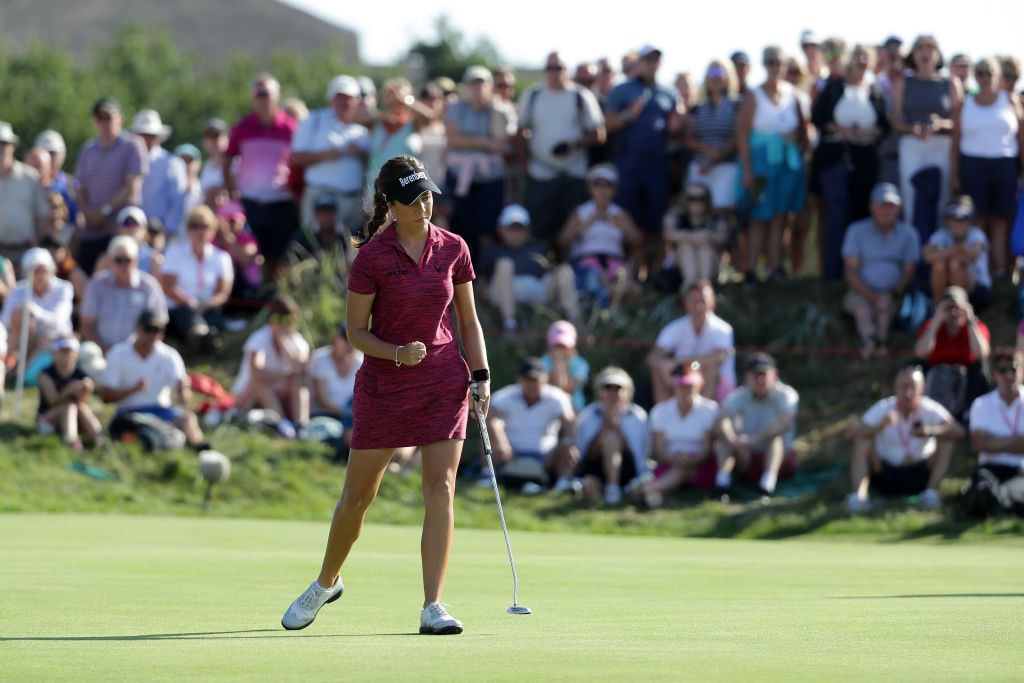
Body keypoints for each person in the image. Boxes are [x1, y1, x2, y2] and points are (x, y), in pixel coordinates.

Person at [280, 155, 490, 636]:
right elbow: (355, 332)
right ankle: (325, 582)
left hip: (442, 380)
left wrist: (481, 375)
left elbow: (469, 321)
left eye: (428, 195)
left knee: (440, 488)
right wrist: (396, 353)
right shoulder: (372, 258)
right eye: (413, 199)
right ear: (390, 206)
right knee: (358, 497)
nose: (424, 205)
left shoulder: (453, 248)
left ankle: (433, 605)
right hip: (384, 384)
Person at [811, 44, 888, 280]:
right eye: (858, 57)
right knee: (835, 216)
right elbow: (818, 117)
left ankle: (857, 271)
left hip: (865, 160)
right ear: (851, 61)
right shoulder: (835, 87)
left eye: (867, 57)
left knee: (861, 214)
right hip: (836, 158)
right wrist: (841, 129)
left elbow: (884, 125)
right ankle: (832, 272)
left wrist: (870, 133)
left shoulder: (874, 90)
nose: (862, 61)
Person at [845, 365, 963, 514]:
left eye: (913, 387)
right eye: (903, 387)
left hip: (921, 473)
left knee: (947, 440)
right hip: (886, 473)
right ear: (895, 387)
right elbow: (849, 435)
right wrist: (879, 427)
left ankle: (930, 494)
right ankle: (860, 498)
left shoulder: (929, 407)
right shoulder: (883, 408)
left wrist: (931, 431)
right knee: (862, 440)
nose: (908, 393)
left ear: (922, 388)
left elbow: (959, 431)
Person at [517, 51, 606, 246]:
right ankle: (542, 270)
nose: (554, 72)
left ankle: (569, 272)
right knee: (539, 228)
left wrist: (573, 145)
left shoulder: (581, 95)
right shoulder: (533, 95)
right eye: (550, 68)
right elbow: (521, 131)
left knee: (571, 230)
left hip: (573, 174)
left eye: (558, 68)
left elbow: (598, 134)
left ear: (567, 70)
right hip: (541, 174)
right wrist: (525, 164)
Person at [735, 46, 809, 282]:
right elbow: (742, 132)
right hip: (760, 164)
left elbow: (803, 130)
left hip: (787, 164)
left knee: (781, 216)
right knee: (758, 216)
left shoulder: (793, 94)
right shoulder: (754, 96)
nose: (776, 67)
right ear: (764, 65)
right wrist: (747, 169)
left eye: (780, 62)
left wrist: (795, 139)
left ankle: (775, 267)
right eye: (770, 62)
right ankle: (751, 269)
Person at [952, 57, 1023, 277]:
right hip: (972, 164)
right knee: (978, 219)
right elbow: (956, 140)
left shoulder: (1010, 101)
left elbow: (1021, 137)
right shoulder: (966, 103)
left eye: (989, 72)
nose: (984, 77)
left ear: (998, 75)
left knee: (1001, 220)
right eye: (980, 72)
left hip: (1004, 164)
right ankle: (980, 272)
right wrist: (954, 173)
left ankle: (1001, 272)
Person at [99, 309, 208, 451]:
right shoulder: (118, 354)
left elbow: (185, 399)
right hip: (129, 413)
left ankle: (201, 449)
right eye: (148, 329)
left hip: (161, 411)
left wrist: (183, 391)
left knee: (188, 419)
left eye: (158, 330)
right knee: (143, 433)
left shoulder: (169, 355)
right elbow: (105, 397)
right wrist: (134, 389)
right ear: (137, 329)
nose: (153, 335)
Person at [224, 74, 299, 277]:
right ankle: (259, 298)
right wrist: (233, 196)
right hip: (251, 203)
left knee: (280, 256)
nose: (262, 98)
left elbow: (299, 163)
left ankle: (276, 299)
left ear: (278, 96)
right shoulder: (242, 127)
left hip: (281, 202)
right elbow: (226, 160)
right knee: (253, 254)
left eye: (266, 93)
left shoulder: (291, 127)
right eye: (258, 94)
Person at [890, 35, 962, 240]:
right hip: (912, 146)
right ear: (914, 55)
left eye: (930, 48)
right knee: (911, 199)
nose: (925, 52)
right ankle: (914, 257)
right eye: (920, 48)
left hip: (942, 146)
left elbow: (959, 123)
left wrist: (941, 124)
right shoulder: (904, 82)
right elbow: (895, 121)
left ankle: (939, 255)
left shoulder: (951, 83)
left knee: (942, 200)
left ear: (938, 55)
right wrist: (911, 128)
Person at [604, 45, 679, 235]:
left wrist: (677, 125)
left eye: (655, 60)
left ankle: (652, 265)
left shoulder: (668, 93)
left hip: (657, 168)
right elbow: (606, 125)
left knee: (655, 222)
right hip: (627, 166)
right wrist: (628, 115)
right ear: (639, 62)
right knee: (626, 220)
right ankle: (626, 264)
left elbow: (676, 126)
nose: (651, 64)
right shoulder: (622, 90)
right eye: (647, 60)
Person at [444, 65, 515, 258]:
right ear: (466, 86)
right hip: (461, 177)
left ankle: (484, 275)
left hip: (490, 178)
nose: (477, 88)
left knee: (488, 228)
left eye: (482, 83)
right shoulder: (456, 108)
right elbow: (453, 139)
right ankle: (462, 276)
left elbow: (501, 141)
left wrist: (494, 109)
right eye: (473, 83)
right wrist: (484, 142)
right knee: (460, 228)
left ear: (490, 86)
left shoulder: (499, 109)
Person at [842, 183, 920, 356]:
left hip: (895, 293)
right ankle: (870, 341)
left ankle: (880, 344)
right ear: (872, 207)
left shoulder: (909, 233)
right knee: (862, 309)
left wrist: (892, 293)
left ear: (898, 208)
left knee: (884, 307)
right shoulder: (856, 230)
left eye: (891, 206)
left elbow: (909, 271)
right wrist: (872, 296)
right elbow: (850, 270)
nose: (886, 211)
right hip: (860, 290)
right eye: (882, 206)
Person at [73, 97, 148, 274]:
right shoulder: (88, 150)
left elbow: (132, 186)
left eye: (109, 117)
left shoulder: (132, 145)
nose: (105, 123)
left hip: (121, 231)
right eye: (100, 118)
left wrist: (103, 211)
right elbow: (80, 187)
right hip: (92, 231)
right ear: (94, 122)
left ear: (120, 118)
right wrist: (88, 212)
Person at [478, 204, 578, 332]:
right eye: (511, 228)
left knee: (564, 270)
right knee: (505, 264)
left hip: (537, 291)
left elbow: (551, 269)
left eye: (521, 228)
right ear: (500, 229)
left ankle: (576, 323)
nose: (516, 233)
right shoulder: (491, 250)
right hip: (503, 292)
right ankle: (510, 326)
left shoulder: (539, 248)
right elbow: (481, 282)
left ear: (528, 230)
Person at [714, 352, 799, 503]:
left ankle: (766, 487)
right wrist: (732, 439)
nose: (760, 380)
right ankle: (722, 485)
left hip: (781, 460)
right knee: (722, 442)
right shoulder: (739, 395)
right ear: (747, 376)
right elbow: (722, 419)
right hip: (747, 458)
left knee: (775, 440)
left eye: (764, 374)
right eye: (755, 375)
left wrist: (753, 439)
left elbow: (785, 422)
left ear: (775, 375)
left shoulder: (786, 394)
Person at [291, 75, 369, 236]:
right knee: (314, 248)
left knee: (348, 254)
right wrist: (328, 154)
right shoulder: (314, 120)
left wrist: (360, 155)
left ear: (356, 101)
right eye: (339, 97)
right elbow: (296, 158)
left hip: (352, 200)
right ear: (331, 100)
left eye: (348, 98)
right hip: (319, 198)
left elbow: (373, 165)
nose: (344, 102)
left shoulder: (364, 128)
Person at [485, 357, 577, 490]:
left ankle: (563, 482)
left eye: (537, 380)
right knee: (489, 436)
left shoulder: (557, 397)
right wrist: (501, 441)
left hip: (547, 457)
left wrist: (568, 442)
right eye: (529, 380)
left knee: (568, 447)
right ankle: (486, 475)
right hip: (511, 454)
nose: (533, 385)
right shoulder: (506, 395)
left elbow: (569, 421)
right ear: (519, 379)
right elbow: (491, 416)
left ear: (545, 379)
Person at [558, 164, 644, 306]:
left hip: (615, 261)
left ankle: (616, 300)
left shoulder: (620, 214)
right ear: (590, 188)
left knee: (624, 275)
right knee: (599, 277)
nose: (602, 190)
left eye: (607, 185)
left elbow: (638, 242)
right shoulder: (581, 213)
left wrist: (624, 227)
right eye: (598, 185)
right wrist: (583, 227)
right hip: (587, 262)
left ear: (614, 189)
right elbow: (562, 241)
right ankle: (609, 299)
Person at [232, 294, 310, 440]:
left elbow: (300, 368)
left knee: (299, 381)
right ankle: (282, 425)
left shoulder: (297, 340)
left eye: (290, 320)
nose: (286, 324)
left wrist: (284, 342)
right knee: (260, 382)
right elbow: (257, 371)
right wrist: (284, 375)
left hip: (277, 395)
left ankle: (301, 426)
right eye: (281, 320)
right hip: (249, 396)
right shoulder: (260, 338)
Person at [642, 362, 720, 506]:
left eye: (690, 385)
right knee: (680, 470)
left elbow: (707, 448)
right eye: (682, 385)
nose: (686, 389)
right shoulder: (660, 411)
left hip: (702, 467)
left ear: (699, 385)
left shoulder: (710, 410)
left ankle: (650, 490)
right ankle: (655, 492)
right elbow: (659, 448)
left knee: (683, 470)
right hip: (670, 464)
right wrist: (674, 458)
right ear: (674, 386)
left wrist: (691, 459)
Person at [648, 279, 735, 404]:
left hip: (705, 374)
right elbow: (653, 357)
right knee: (659, 370)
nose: (698, 306)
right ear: (686, 303)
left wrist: (682, 362)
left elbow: (719, 357)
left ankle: (704, 416)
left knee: (710, 369)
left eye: (702, 301)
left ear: (712, 302)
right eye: (694, 301)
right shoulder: (675, 328)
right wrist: (665, 365)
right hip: (683, 374)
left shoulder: (723, 329)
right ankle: (664, 414)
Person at [160, 205, 233, 349]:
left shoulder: (221, 258)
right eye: (194, 226)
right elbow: (168, 287)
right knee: (186, 315)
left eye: (204, 226)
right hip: (180, 309)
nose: (199, 231)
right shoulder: (175, 252)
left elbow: (223, 292)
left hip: (209, 308)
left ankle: (203, 337)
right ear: (188, 230)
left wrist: (208, 304)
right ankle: (201, 338)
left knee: (212, 317)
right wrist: (190, 302)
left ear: (212, 231)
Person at [573, 366, 648, 505]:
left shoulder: (638, 416)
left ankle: (613, 487)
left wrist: (618, 429)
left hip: (628, 471)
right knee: (590, 486)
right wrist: (603, 428)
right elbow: (584, 454)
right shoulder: (588, 415)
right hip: (596, 470)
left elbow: (638, 454)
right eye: (608, 388)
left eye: (618, 389)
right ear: (600, 392)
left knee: (611, 438)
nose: (613, 393)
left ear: (627, 392)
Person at [913, 286, 991, 420]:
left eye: (957, 307)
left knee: (980, 367)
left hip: (967, 377)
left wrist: (970, 320)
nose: (953, 312)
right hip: (937, 374)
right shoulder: (931, 325)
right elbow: (920, 353)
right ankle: (922, 412)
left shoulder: (976, 326)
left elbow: (981, 353)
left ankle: (971, 414)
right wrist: (937, 320)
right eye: (948, 308)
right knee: (915, 367)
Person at [81, 235, 167, 353]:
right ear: (110, 261)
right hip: (101, 351)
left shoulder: (148, 286)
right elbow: (87, 325)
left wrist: (137, 351)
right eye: (119, 260)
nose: (124, 265)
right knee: (88, 353)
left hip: (138, 352)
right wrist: (104, 350)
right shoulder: (97, 285)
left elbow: (158, 323)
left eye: (128, 260)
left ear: (136, 260)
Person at [964, 347, 1024, 517]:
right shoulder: (982, 404)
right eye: (1002, 370)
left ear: (1021, 371)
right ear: (994, 375)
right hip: (990, 469)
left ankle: (993, 506)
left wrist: (995, 442)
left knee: (1007, 492)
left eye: (1013, 369)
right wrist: (1016, 442)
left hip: (1020, 471)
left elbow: (986, 442)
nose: (1008, 376)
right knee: (983, 486)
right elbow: (977, 443)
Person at [681, 60, 740, 213]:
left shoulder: (737, 104)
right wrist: (705, 148)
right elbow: (688, 139)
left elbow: (737, 137)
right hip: (699, 168)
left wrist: (714, 158)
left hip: (726, 167)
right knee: (696, 213)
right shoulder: (698, 107)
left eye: (719, 73)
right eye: (711, 73)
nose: (714, 77)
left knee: (721, 212)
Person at [0, 248, 73, 361]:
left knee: (45, 341)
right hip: (24, 340)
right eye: (34, 271)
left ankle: (25, 374)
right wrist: (19, 316)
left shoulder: (64, 288)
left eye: (42, 270)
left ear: (50, 270)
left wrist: (35, 312)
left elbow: (59, 322)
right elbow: (4, 321)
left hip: (56, 341)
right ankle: (11, 368)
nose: (38, 275)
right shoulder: (18, 290)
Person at [923, 196, 992, 309]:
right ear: (947, 220)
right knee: (939, 265)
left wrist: (943, 251)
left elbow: (972, 255)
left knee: (955, 263)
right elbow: (927, 255)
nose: (958, 223)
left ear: (969, 220)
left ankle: (960, 310)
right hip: (948, 290)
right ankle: (939, 311)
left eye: (962, 219)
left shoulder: (977, 234)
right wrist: (954, 249)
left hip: (978, 292)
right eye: (953, 218)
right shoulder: (941, 235)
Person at [37, 336, 102, 451]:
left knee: (81, 408)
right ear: (54, 354)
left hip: (71, 417)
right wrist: (67, 391)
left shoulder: (81, 375)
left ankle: (99, 440)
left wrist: (86, 391)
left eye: (70, 352)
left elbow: (81, 402)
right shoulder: (46, 374)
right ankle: (72, 442)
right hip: (47, 418)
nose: (66, 356)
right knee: (69, 407)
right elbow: (52, 402)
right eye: (62, 352)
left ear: (76, 354)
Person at [132, 109, 188, 239]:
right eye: (142, 134)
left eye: (150, 135)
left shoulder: (172, 163)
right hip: (133, 232)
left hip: (162, 235)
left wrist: (164, 230)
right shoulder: (127, 162)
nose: (146, 139)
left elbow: (178, 202)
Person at [661, 181, 729, 286]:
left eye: (701, 198)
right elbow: (668, 234)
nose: (696, 202)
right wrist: (691, 236)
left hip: (711, 265)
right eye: (691, 198)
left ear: (707, 200)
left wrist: (708, 236)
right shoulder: (675, 216)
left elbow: (723, 237)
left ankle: (704, 288)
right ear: (684, 199)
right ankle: (691, 287)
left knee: (705, 248)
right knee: (686, 247)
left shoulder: (716, 218)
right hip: (680, 267)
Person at [0, 122, 49, 267]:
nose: (1, 148)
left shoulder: (30, 177)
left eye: (4, 143)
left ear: (13, 146)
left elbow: (42, 215)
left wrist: (37, 245)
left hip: (25, 251)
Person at [310, 323, 363, 433]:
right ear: (336, 338)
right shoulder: (320, 359)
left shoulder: (360, 361)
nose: (349, 343)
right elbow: (323, 401)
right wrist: (350, 413)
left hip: (352, 418)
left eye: (352, 339)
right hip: (324, 416)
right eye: (345, 338)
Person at [540, 320, 589, 412]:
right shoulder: (542, 363)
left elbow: (567, 390)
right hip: (548, 411)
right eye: (557, 346)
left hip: (575, 411)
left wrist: (560, 366)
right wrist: (559, 364)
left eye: (564, 346)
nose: (560, 350)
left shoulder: (581, 364)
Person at [35, 129, 77, 222]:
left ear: (62, 156)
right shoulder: (31, 183)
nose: (50, 158)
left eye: (53, 154)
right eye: (47, 153)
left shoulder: (71, 184)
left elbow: (77, 217)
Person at [198, 118, 231, 205]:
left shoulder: (237, 163)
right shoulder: (207, 166)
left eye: (216, 135)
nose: (212, 140)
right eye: (209, 136)